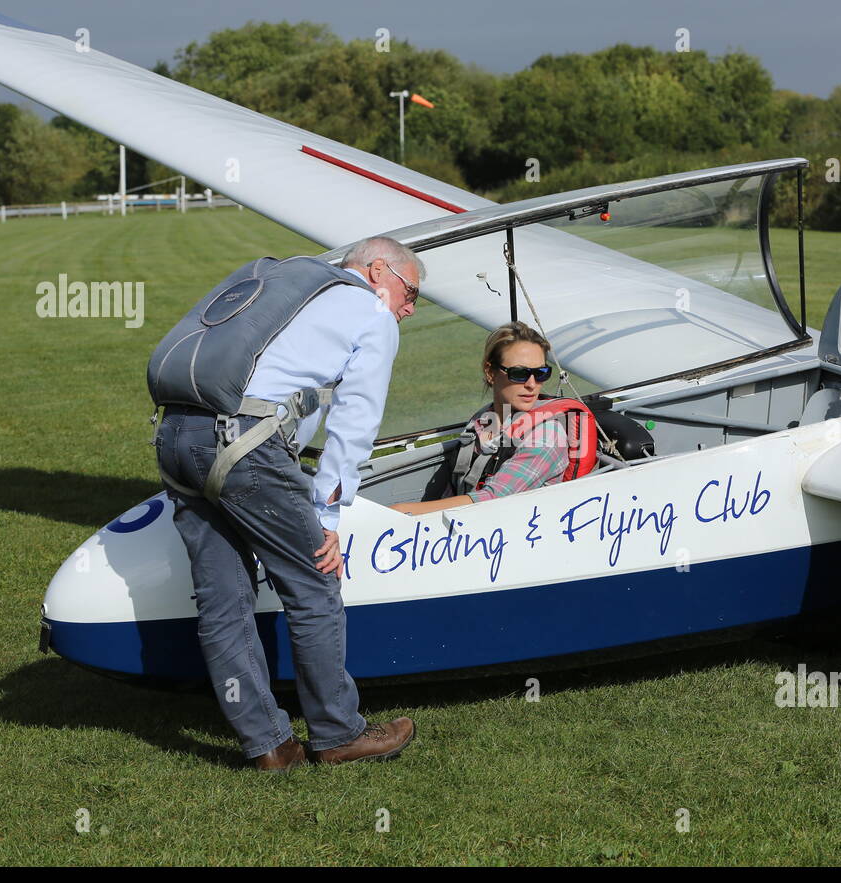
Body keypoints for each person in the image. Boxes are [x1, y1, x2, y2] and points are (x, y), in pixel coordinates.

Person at [156, 236, 422, 770]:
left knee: (223, 601)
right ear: (376, 271)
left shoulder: (293, 288)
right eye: (410, 291)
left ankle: (269, 746)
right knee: (315, 584)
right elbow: (355, 422)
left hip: (174, 435)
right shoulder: (373, 313)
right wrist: (326, 516)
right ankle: (338, 732)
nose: (410, 306)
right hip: (244, 443)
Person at [392, 322, 574, 517]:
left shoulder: (547, 436)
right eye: (519, 374)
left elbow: (490, 501)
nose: (532, 385)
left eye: (541, 373)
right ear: (490, 372)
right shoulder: (484, 418)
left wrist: (401, 512)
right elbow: (458, 486)